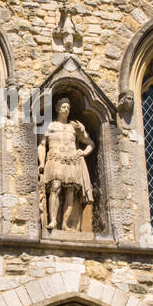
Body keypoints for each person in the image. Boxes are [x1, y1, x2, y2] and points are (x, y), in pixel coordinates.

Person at [38, 98, 94, 231]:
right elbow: (42, 145)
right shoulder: (49, 125)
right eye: (63, 107)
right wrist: (41, 162)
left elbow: (91, 143)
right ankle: (53, 221)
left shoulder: (73, 127)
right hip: (55, 158)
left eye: (68, 108)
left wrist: (84, 152)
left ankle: (65, 224)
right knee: (55, 187)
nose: (66, 109)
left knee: (70, 192)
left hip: (72, 161)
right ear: (57, 108)